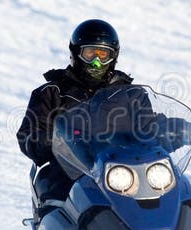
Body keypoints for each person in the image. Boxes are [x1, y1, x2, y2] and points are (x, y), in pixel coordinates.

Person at [17, 19, 132, 206]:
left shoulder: (128, 94)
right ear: (76, 53)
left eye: (103, 55)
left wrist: (173, 129)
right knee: (57, 203)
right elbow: (29, 135)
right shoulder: (51, 92)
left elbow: (149, 125)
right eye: (90, 54)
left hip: (123, 174)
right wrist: (55, 140)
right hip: (68, 173)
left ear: (114, 56)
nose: (96, 62)